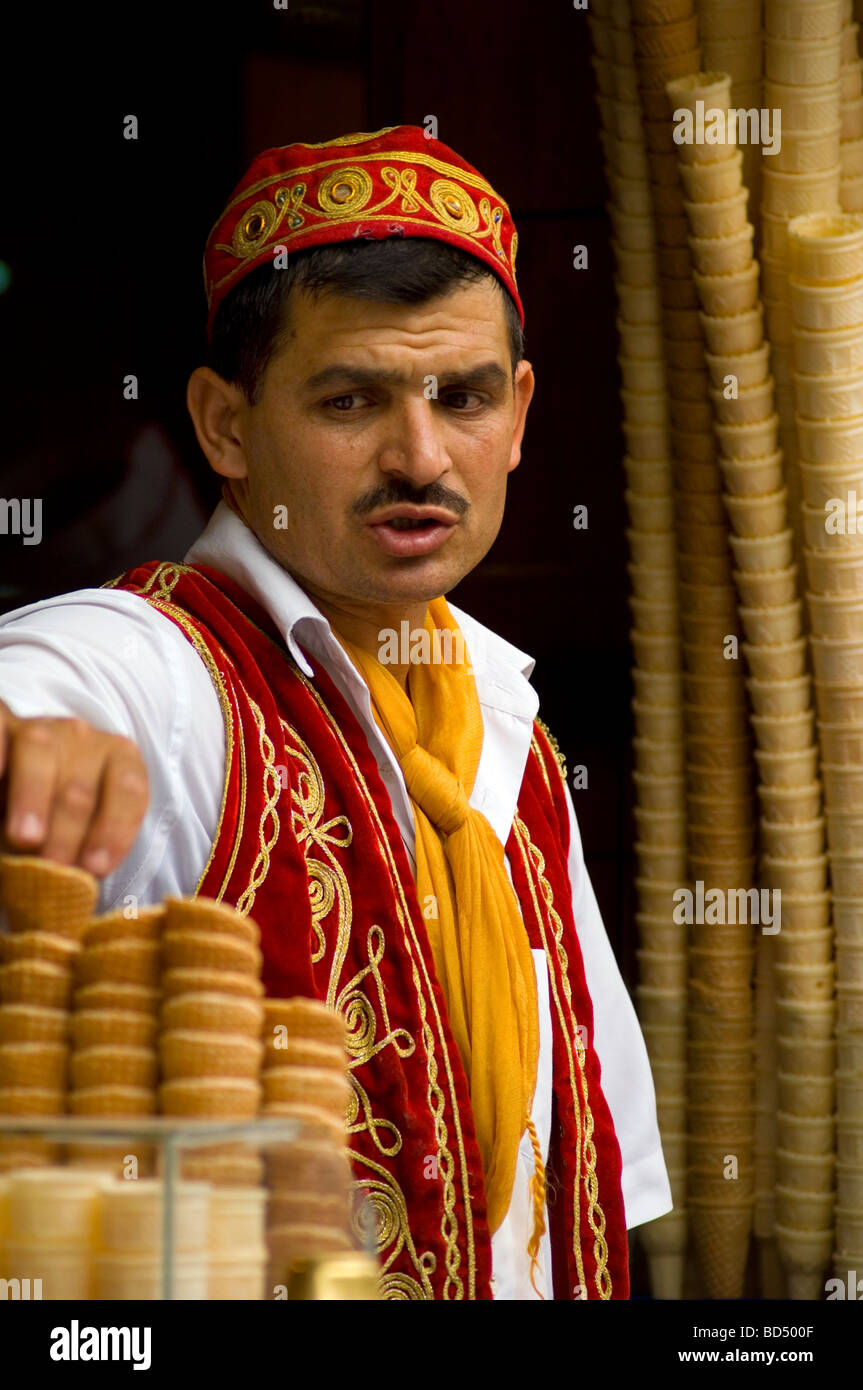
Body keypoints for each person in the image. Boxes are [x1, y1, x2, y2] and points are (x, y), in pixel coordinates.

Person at [0, 125, 671, 1299]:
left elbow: (579, 1184)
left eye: (460, 397)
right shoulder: (157, 674)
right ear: (224, 426)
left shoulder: (506, 733)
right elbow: (38, 690)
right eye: (350, 399)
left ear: (517, 417)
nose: (420, 458)